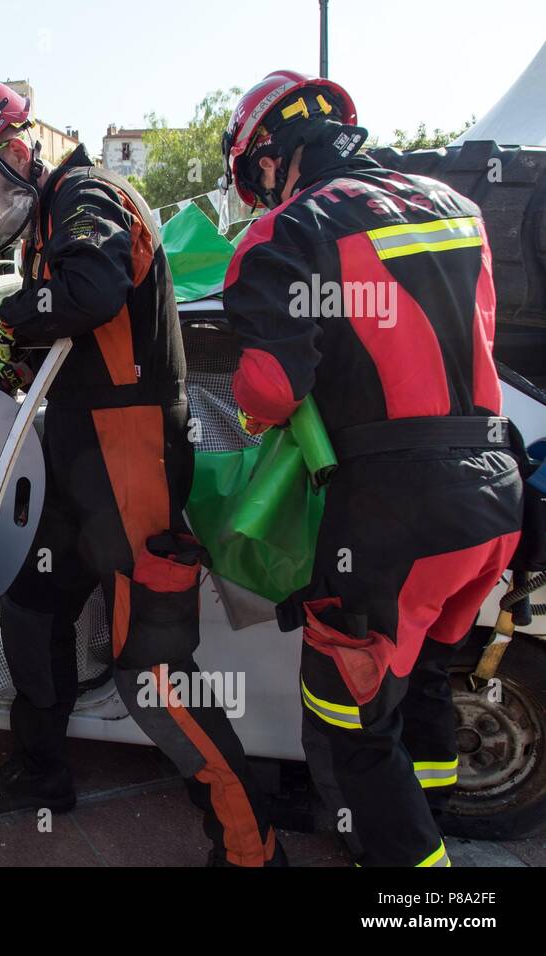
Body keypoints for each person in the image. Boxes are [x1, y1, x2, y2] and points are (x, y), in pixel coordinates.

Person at [0, 77, 282, 866]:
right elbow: (73, 336)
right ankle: (45, 774)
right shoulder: (48, 219)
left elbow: (89, 292)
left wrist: (2, 328)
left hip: (133, 459)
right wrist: (3, 363)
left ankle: (251, 843)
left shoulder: (88, 192)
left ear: (14, 147)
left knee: (153, 670)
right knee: (36, 610)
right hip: (82, 464)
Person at [220, 70, 524, 867]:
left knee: (348, 724)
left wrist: (256, 418)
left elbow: (269, 388)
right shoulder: (457, 205)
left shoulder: (290, 230)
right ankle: (428, 808)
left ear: (272, 157)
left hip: (395, 512)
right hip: (495, 489)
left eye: (253, 174)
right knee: (417, 674)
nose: (257, 193)